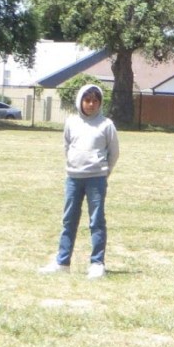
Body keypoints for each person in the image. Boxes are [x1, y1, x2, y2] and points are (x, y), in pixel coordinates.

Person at [41, 83, 119, 279]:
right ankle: (62, 262)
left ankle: (97, 263)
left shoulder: (106, 125)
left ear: (100, 103)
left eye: (95, 100)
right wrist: (72, 166)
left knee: (97, 221)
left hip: (96, 180)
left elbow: (114, 153)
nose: (91, 104)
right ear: (80, 101)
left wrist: (103, 171)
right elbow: (67, 146)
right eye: (87, 100)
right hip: (73, 179)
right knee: (69, 220)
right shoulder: (71, 122)